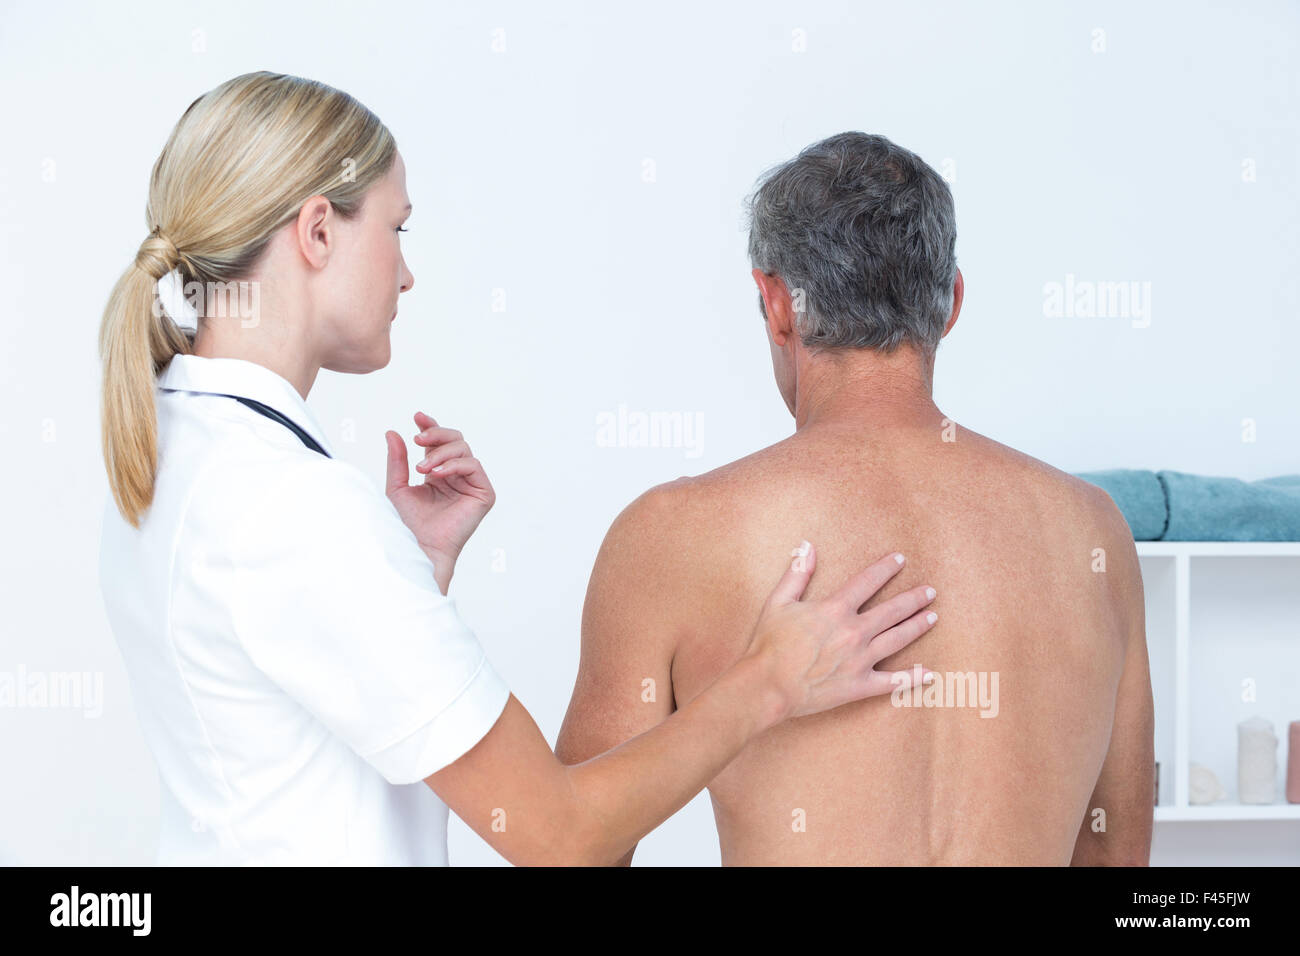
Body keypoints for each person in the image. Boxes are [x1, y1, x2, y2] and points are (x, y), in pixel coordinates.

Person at [96, 75, 940, 866]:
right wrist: (772, 679)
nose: (407, 271)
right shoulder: (301, 511)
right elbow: (557, 834)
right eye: (397, 229)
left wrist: (412, 573)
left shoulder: (177, 451)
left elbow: (283, 723)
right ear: (317, 232)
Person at [556, 132, 1155, 866]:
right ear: (951, 302)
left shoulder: (673, 535)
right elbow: (1116, 855)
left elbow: (569, 850)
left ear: (778, 306)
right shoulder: (1092, 533)